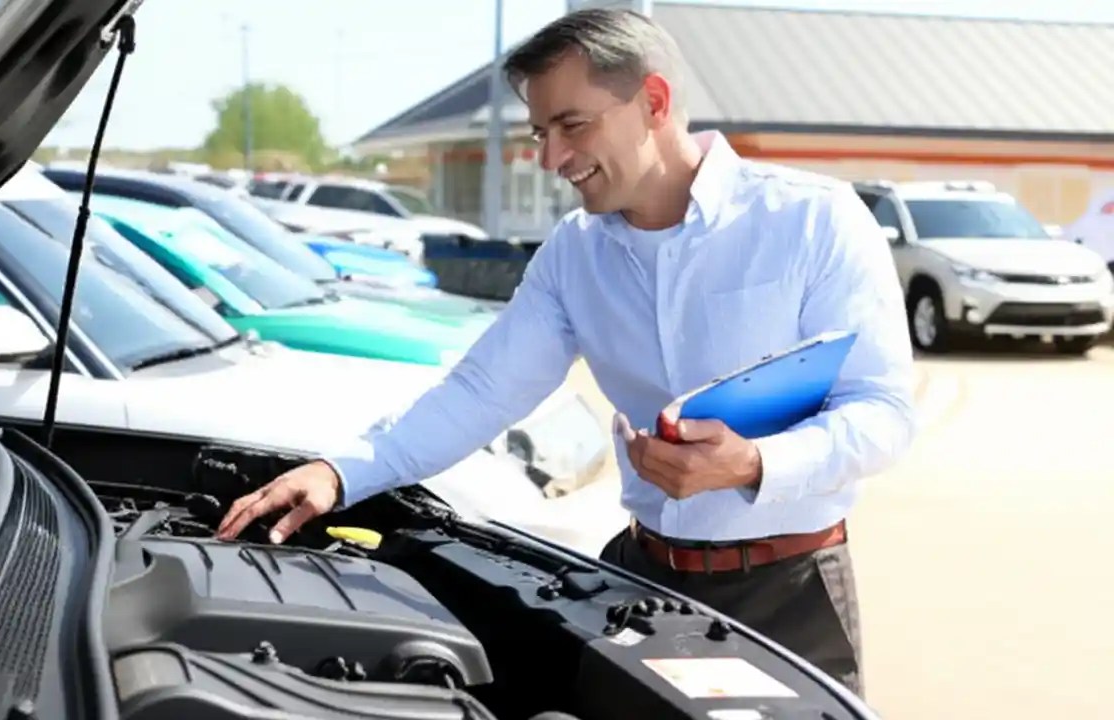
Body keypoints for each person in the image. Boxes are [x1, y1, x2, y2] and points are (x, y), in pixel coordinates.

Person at [216, 7, 916, 697]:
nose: (551, 159)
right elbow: (481, 392)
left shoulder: (812, 221)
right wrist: (341, 474)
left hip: (789, 595)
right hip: (641, 582)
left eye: (572, 125)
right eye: (540, 132)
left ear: (654, 102)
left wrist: (755, 462)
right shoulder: (573, 256)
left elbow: (882, 414)